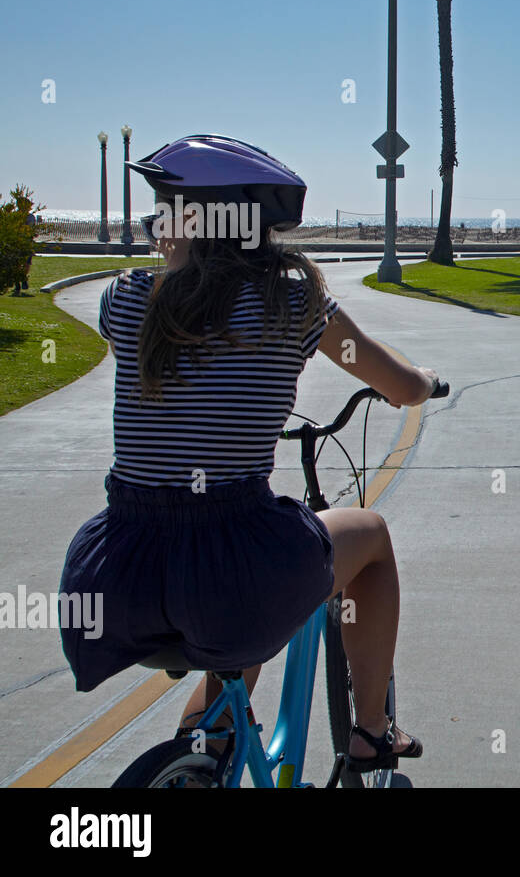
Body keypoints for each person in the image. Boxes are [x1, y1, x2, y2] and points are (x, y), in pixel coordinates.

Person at [59, 134, 435, 772]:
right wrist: (422, 381)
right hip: (232, 567)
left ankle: (204, 746)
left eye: (165, 212)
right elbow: (398, 385)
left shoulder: (126, 300)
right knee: (357, 540)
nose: (156, 226)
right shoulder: (295, 302)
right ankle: (370, 731)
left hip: (117, 574)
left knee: (244, 577)